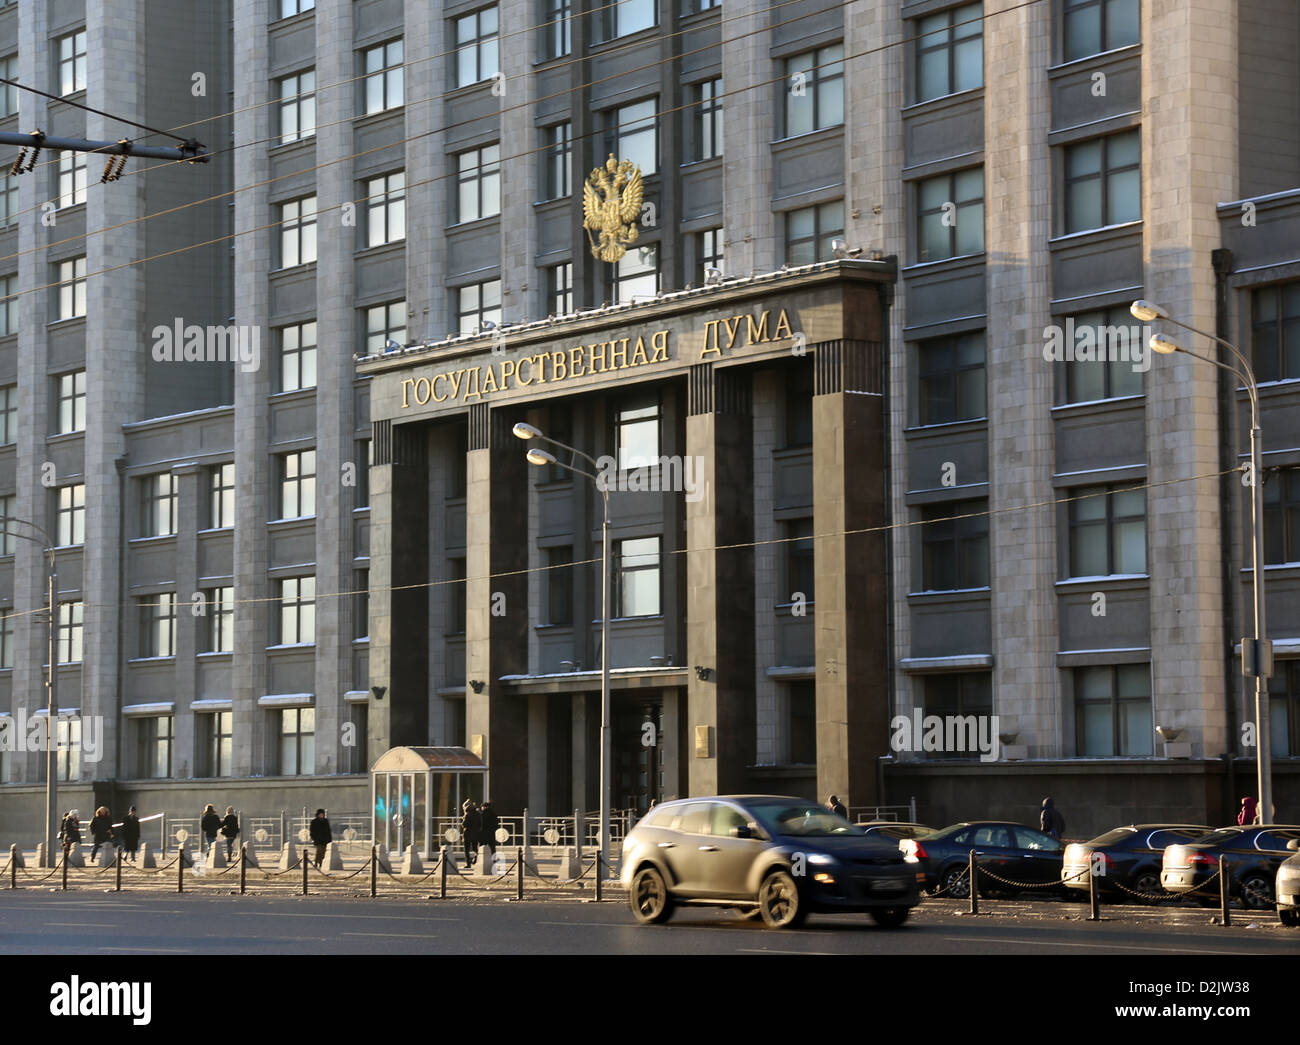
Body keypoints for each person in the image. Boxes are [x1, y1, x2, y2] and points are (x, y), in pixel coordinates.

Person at [461, 799, 480, 867]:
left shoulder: (467, 815)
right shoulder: (477, 814)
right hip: (475, 833)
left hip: (467, 834)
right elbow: (480, 824)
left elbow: (464, 824)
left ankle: (468, 864)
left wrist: (463, 820)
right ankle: (476, 858)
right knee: (475, 848)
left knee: (466, 850)